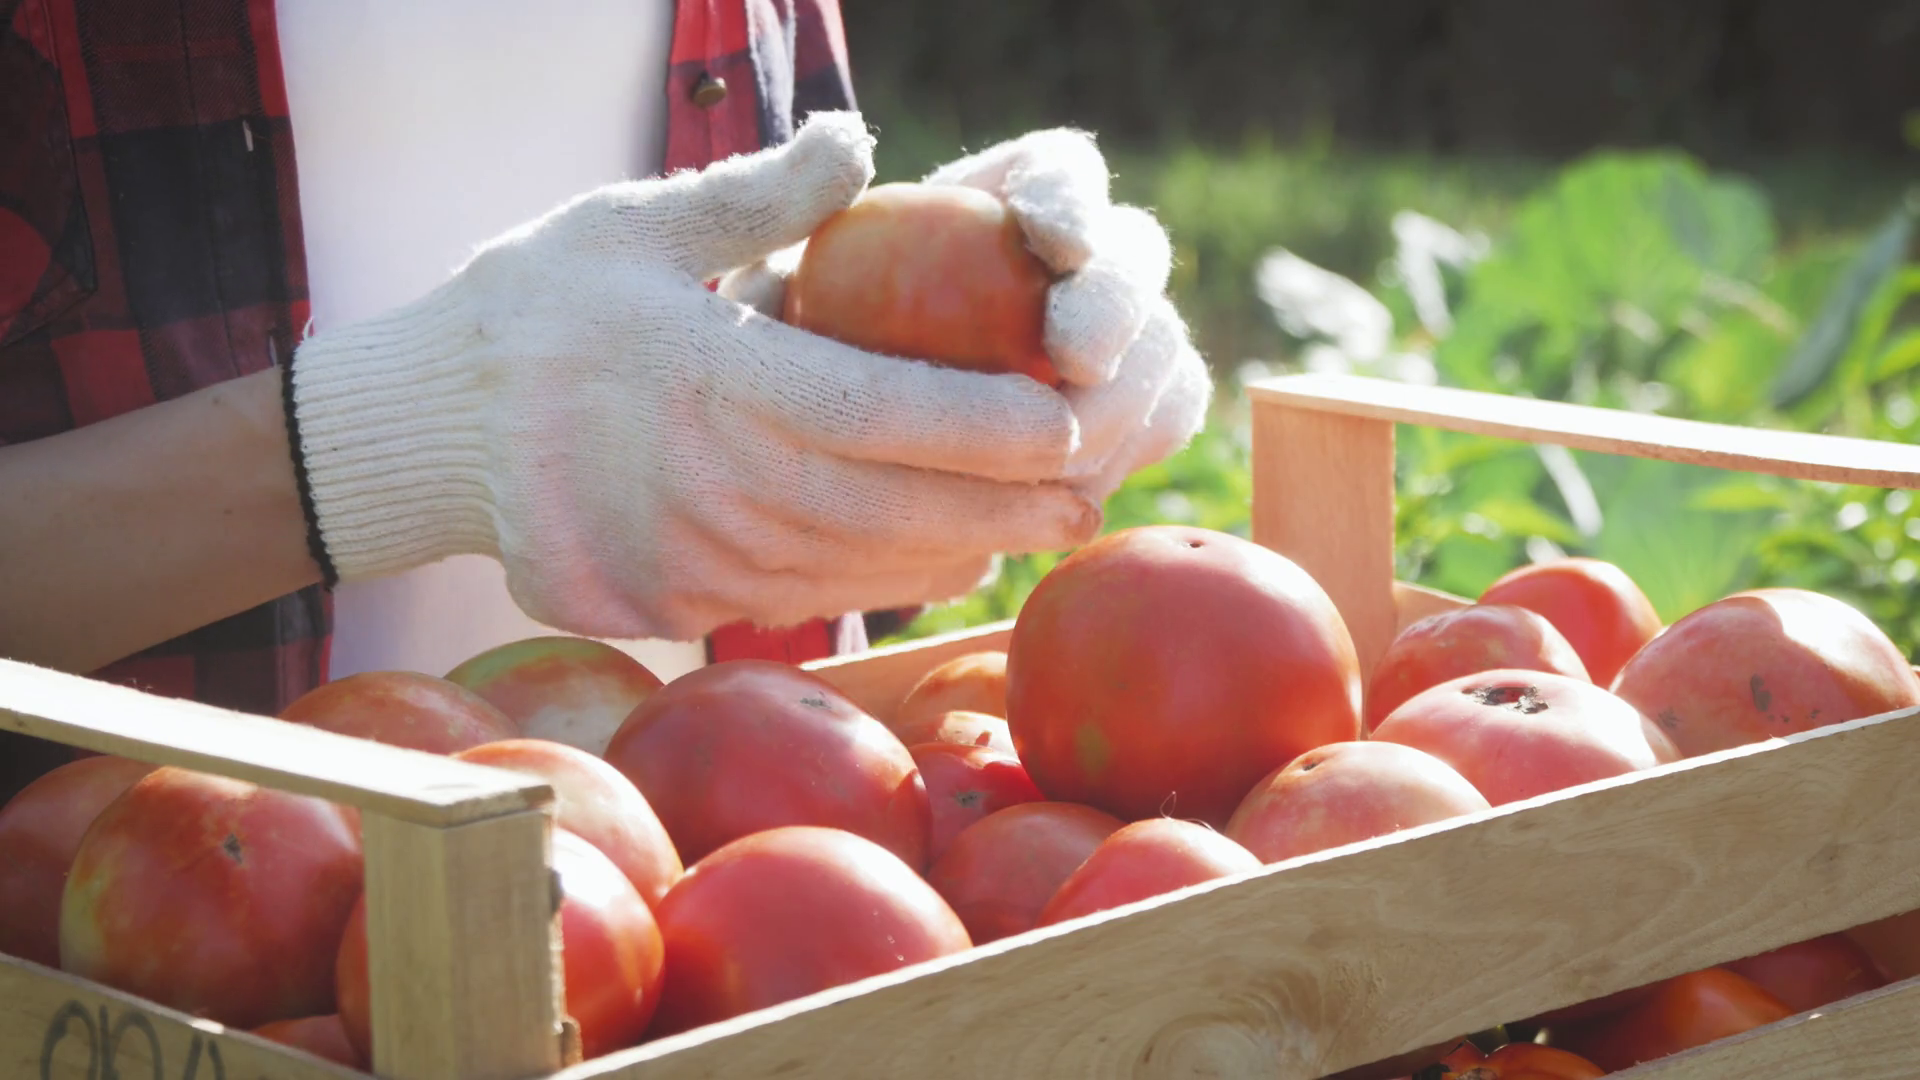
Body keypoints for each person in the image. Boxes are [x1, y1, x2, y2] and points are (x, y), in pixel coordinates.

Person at [0, 0, 1207, 801]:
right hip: (181, 977)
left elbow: (692, 296)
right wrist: (388, 438)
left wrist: (918, 333)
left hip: (732, 928)